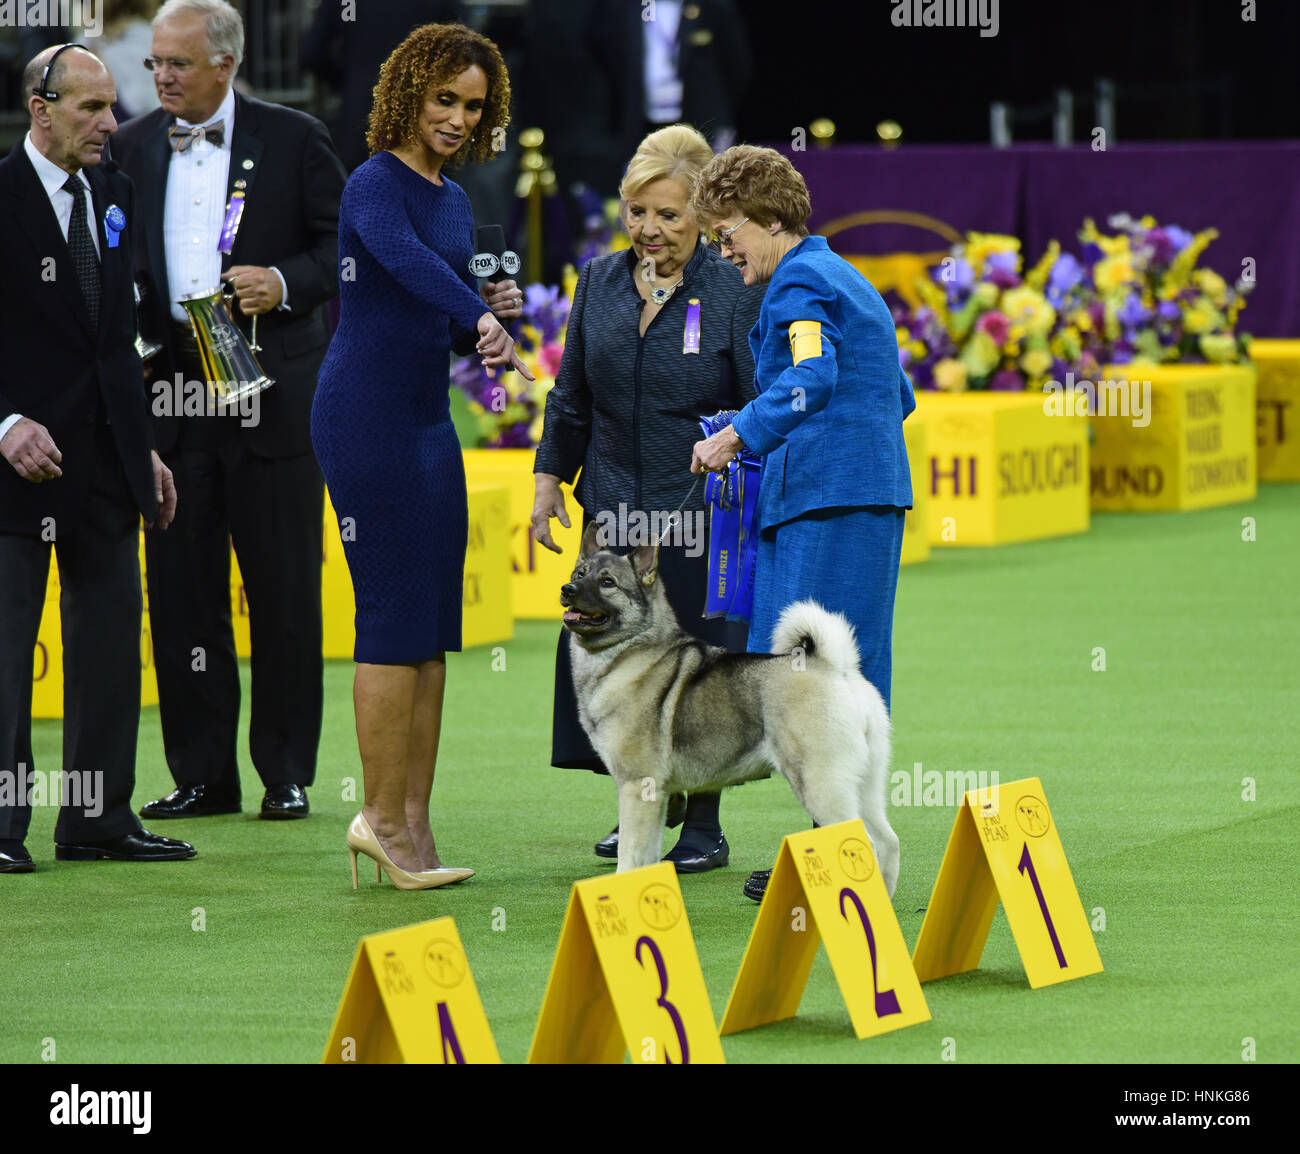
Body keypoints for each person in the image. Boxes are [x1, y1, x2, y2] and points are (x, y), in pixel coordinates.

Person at [111, 0, 347, 822]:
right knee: (181, 592)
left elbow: (343, 249)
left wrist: (283, 283)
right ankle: (203, 775)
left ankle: (286, 771)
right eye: (156, 65)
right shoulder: (132, 146)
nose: (162, 76)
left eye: (178, 63)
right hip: (171, 391)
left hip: (269, 389)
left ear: (226, 64)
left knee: (283, 587)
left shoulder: (295, 137)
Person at [311, 23, 530, 890]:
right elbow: (399, 265)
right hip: (364, 418)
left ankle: (415, 828)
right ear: (408, 92)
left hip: (427, 421)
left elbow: (438, 310)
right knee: (391, 621)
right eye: (445, 99)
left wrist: (486, 307)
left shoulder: (452, 195)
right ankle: (379, 818)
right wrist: (476, 309)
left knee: (435, 631)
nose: (457, 118)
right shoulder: (372, 183)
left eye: (473, 106)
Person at [533, 123, 762, 873]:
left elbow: (757, 400)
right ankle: (638, 804)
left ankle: (703, 823)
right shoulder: (597, 281)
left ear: (703, 215)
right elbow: (570, 396)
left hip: (699, 512)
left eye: (669, 214)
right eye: (637, 211)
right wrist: (547, 482)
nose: (650, 229)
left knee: (697, 669)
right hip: (611, 511)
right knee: (614, 657)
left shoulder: (731, 287)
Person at [689, 144, 915, 901]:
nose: (723, 254)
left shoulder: (800, 281)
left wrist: (740, 436)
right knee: (849, 679)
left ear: (772, 218)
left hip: (830, 501)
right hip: (863, 493)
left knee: (812, 681)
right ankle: (851, 853)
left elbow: (811, 379)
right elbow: (894, 393)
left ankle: (837, 856)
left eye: (728, 235)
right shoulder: (839, 275)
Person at [0, 44, 190, 871]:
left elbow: (119, 341)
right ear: (41, 110)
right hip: (11, 468)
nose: (112, 124)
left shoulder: (114, 191)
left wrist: (143, 449)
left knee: (111, 645)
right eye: (91, 109)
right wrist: (5, 423)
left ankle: (96, 818)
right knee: (5, 657)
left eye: (112, 107)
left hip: (108, 464)